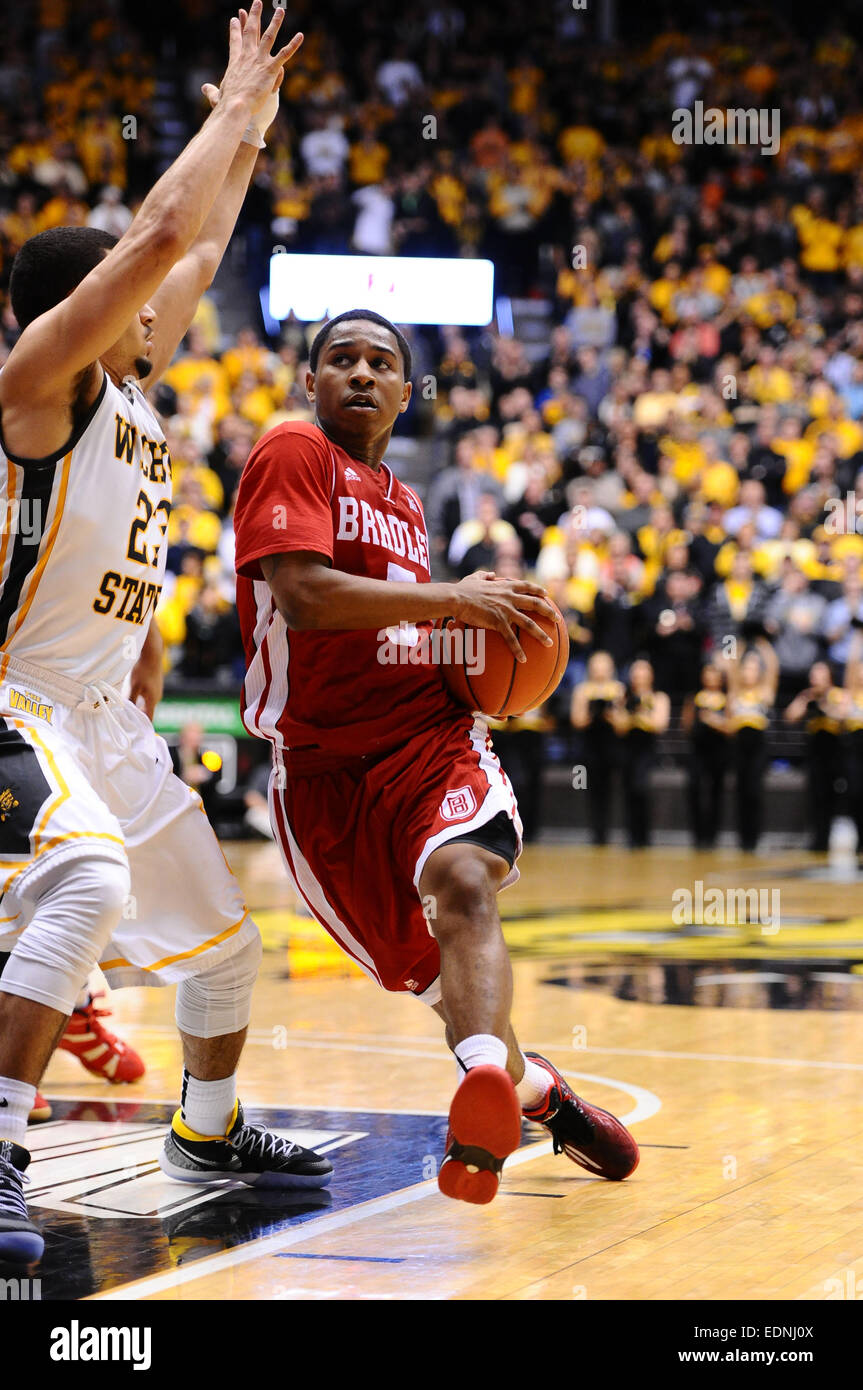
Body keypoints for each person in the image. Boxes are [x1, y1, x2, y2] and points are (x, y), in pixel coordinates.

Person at [0, 5, 332, 1267]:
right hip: (18, 700)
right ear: (90, 314)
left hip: (108, 718)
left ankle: (205, 1129)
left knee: (226, 955)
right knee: (86, 882)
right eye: (138, 305)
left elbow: (196, 245)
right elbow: (163, 236)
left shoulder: (130, 383)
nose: (168, 310)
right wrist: (224, 108)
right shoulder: (40, 385)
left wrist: (253, 128)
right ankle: (2, 1142)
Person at [232, 308, 639, 1206]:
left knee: (464, 880)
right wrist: (450, 597)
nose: (361, 373)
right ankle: (536, 1095)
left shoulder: (406, 502)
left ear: (408, 394)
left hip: (426, 741)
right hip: (322, 775)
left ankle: (480, 1105)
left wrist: (480, 662)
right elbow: (300, 598)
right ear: (311, 383)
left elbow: (407, 627)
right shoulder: (293, 452)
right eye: (341, 360)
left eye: (382, 363)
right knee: (434, 983)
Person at [725, 635, 779, 852]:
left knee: (754, 790)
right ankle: (742, 837)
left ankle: (755, 836)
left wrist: (763, 644)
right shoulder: (735, 692)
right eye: (746, 668)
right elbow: (730, 666)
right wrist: (740, 644)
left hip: (758, 746)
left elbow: (774, 667)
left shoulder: (764, 692)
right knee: (740, 790)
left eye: (754, 668)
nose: (749, 671)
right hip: (739, 745)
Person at [784, 662, 845, 852]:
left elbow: (843, 716)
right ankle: (818, 840)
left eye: (819, 673)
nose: (815, 677)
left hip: (835, 752)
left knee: (833, 797)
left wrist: (825, 707)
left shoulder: (837, 694)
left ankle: (830, 837)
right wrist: (805, 701)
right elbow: (790, 717)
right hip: (815, 752)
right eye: (813, 674)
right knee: (816, 796)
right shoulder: (807, 696)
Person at [613, 659, 670, 849]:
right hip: (628, 747)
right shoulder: (625, 697)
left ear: (651, 675)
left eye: (643, 672)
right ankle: (631, 836)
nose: (638, 677)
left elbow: (659, 724)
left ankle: (645, 835)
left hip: (648, 748)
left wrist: (639, 713)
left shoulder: (659, 697)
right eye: (635, 672)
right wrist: (629, 711)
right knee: (628, 789)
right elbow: (619, 726)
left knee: (642, 788)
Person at [570, 651, 626, 846]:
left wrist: (611, 715)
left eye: (604, 665)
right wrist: (591, 711)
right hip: (590, 747)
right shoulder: (582, 690)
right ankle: (595, 832)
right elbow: (577, 721)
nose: (600, 669)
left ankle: (610, 831)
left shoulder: (618, 689)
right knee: (591, 790)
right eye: (597, 665)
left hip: (612, 747)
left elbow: (623, 724)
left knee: (612, 789)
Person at [682, 663, 729, 849]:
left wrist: (713, 721)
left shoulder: (726, 699)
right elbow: (686, 726)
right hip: (697, 751)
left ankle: (713, 836)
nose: (710, 678)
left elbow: (730, 727)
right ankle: (697, 835)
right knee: (694, 789)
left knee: (716, 793)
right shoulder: (694, 698)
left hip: (718, 753)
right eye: (707, 673)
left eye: (714, 674)